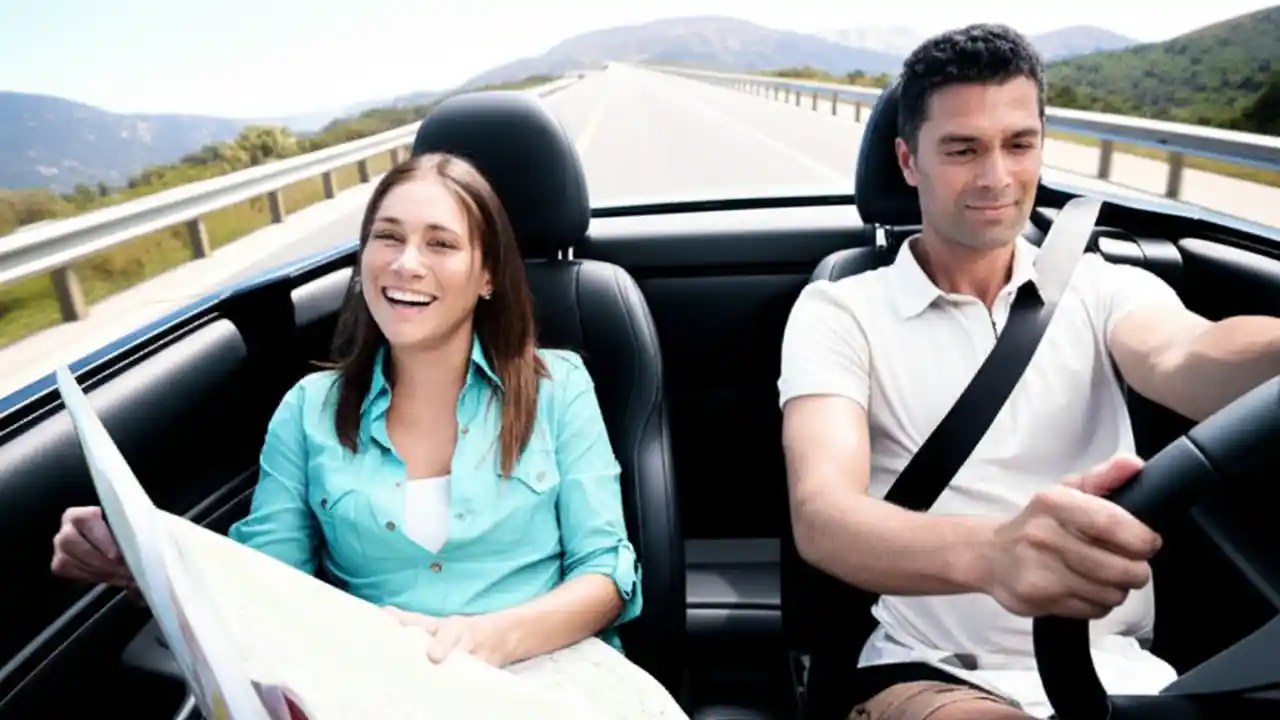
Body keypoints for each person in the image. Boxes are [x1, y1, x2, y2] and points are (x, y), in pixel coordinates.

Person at [51, 152, 686, 718]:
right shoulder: (307, 411)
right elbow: (265, 588)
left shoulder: (558, 387)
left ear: (487, 275)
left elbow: (604, 577)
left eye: (440, 244)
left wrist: (482, 639)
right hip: (374, 691)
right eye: (388, 237)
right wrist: (142, 565)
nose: (406, 264)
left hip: (547, 681)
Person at [778, 23, 1280, 720]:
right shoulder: (839, 310)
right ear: (908, 161)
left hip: (1124, 673)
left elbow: (1187, 356)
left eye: (1019, 145)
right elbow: (824, 515)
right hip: (935, 674)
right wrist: (996, 554)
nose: (997, 177)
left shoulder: (1102, 288)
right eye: (962, 150)